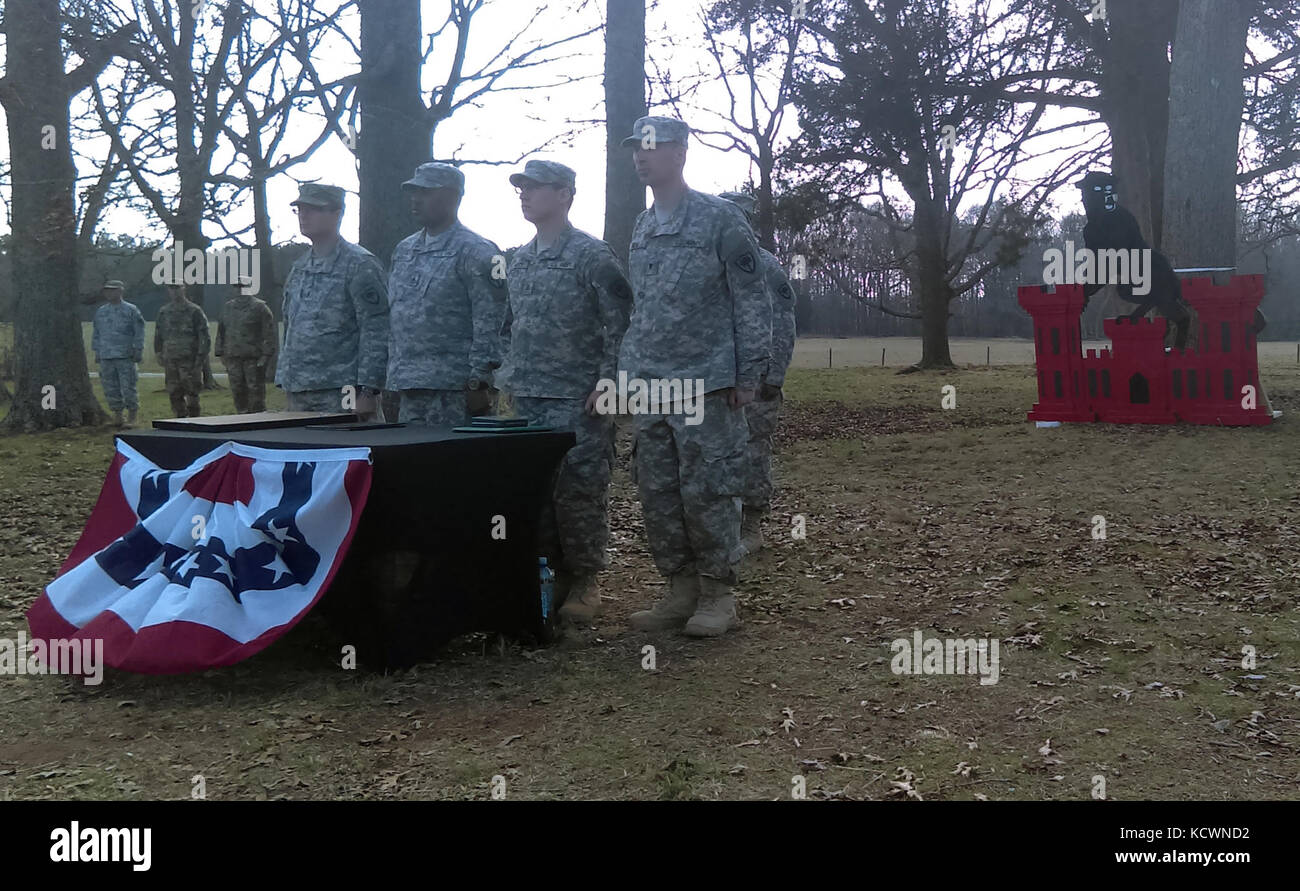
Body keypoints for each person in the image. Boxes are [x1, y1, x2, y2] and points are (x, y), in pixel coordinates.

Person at [619, 117, 770, 638]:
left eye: (653, 147)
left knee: (709, 489)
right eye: (637, 147)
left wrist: (749, 372)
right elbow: (643, 309)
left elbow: (752, 298)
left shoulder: (719, 219)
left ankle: (718, 595)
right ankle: (679, 589)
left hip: (707, 383)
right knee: (658, 493)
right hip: (652, 385)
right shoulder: (642, 225)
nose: (642, 156)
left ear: (681, 153)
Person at [500, 159, 633, 625]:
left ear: (564, 194)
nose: (524, 194)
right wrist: (507, 377)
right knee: (536, 492)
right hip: (530, 398)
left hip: (578, 399)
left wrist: (609, 380)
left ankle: (586, 579)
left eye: (534, 187)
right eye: (521, 188)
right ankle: (547, 575)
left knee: (579, 492)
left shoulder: (592, 257)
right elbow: (509, 327)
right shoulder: (519, 259)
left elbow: (620, 325)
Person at [387, 162, 507, 426]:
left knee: (457, 465)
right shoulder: (405, 251)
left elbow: (491, 321)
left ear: (452, 197)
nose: (415, 200)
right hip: (408, 385)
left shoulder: (478, 252)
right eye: (414, 192)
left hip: (455, 389)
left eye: (426, 192)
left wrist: (479, 381)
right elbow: (396, 317)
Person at [719, 191, 797, 557]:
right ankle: (725, 522)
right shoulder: (714, 262)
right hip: (720, 380)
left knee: (753, 453)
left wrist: (773, 379)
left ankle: (751, 526)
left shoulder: (765, 266)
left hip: (759, 382)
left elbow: (782, 325)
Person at [275, 183, 388, 419]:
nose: (304, 215)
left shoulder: (360, 265)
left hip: (343, 391)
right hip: (300, 390)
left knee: (346, 453)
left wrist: (368, 390)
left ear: (337, 213)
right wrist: (285, 378)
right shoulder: (300, 268)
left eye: (313, 209)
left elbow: (377, 329)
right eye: (300, 209)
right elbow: (290, 328)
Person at [1076, 171, 1192, 349]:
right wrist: (1084, 289)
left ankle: (1177, 347)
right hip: (1134, 271)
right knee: (1128, 290)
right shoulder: (1091, 229)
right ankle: (1171, 338)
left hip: (1150, 268)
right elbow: (1096, 263)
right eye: (1084, 196)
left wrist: (1086, 289)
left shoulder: (1120, 219)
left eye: (1087, 195)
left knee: (1137, 291)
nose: (1084, 201)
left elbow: (1113, 260)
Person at [216, 275, 277, 413]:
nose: (239, 289)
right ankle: (241, 420)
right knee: (238, 392)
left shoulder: (260, 308)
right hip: (233, 358)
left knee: (255, 394)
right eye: (236, 287)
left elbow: (269, 334)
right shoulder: (228, 307)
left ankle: (257, 422)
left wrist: (266, 356)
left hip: (253, 359)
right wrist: (220, 353)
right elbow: (221, 331)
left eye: (242, 286)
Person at [92, 280, 145, 428]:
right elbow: (97, 333)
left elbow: (139, 331)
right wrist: (97, 351)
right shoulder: (101, 311)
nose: (109, 293)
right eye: (107, 290)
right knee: (110, 387)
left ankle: (133, 417)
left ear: (121, 291)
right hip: (106, 355)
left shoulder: (131, 310)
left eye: (113, 290)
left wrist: (138, 349)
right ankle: (117, 416)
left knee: (128, 386)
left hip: (125, 355)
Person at [154, 282, 211, 418]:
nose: (174, 291)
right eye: (171, 288)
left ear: (183, 289)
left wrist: (200, 358)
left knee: (192, 391)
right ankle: (179, 420)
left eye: (177, 288)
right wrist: (158, 352)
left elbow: (204, 336)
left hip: (190, 359)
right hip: (171, 359)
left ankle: (195, 421)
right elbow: (159, 334)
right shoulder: (164, 311)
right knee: (174, 392)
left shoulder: (194, 310)